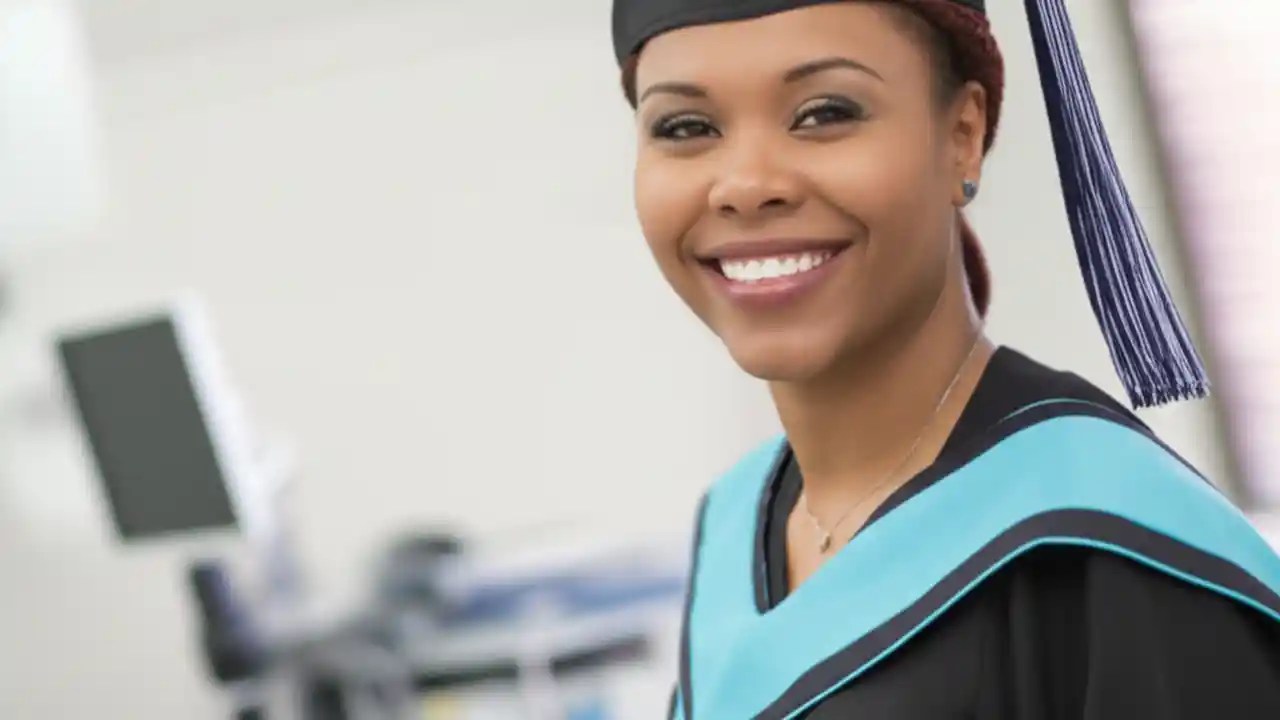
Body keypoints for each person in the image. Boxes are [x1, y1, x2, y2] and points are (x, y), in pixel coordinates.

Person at [608, 0, 1280, 717]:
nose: (745, 185)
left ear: (962, 136)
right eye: (685, 127)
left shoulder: (1113, 559)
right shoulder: (733, 529)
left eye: (824, 112)